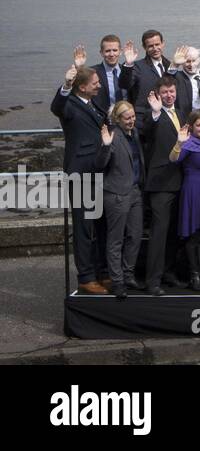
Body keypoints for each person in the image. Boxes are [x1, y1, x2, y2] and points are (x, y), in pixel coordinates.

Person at [52, 59, 110, 293]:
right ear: (82, 87)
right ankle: (86, 277)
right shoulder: (69, 105)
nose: (99, 86)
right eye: (95, 83)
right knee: (84, 227)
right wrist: (65, 85)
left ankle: (102, 271)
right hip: (81, 174)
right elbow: (57, 107)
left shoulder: (93, 103)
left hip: (98, 171)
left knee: (101, 225)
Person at [139, 77, 187, 294]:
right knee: (158, 234)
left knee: (174, 234)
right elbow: (146, 132)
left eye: (172, 91)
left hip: (181, 181)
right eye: (165, 92)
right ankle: (153, 281)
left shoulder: (182, 113)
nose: (169, 95)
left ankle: (168, 272)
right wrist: (155, 113)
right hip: (160, 184)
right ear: (158, 94)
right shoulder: (153, 115)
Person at [96, 101, 145, 298]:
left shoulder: (134, 134)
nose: (132, 120)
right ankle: (117, 281)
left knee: (135, 235)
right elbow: (100, 164)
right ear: (117, 119)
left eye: (133, 116)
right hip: (116, 193)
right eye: (127, 118)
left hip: (135, 191)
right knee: (115, 240)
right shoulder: (112, 136)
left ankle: (128, 274)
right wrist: (105, 147)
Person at [170, 111, 200, 292]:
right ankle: (194, 276)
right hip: (193, 192)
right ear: (191, 126)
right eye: (199, 125)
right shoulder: (188, 143)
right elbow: (173, 160)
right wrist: (178, 143)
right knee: (193, 235)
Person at [126, 29, 172, 118]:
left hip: (167, 118)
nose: (155, 49)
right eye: (150, 46)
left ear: (163, 44)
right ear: (144, 47)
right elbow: (125, 84)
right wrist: (128, 65)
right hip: (145, 119)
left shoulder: (169, 66)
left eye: (157, 44)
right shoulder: (138, 67)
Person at [90, 35, 134, 116]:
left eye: (115, 50)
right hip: (103, 121)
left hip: (126, 120)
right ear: (101, 53)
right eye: (107, 51)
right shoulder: (93, 73)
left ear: (120, 52)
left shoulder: (129, 70)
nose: (111, 54)